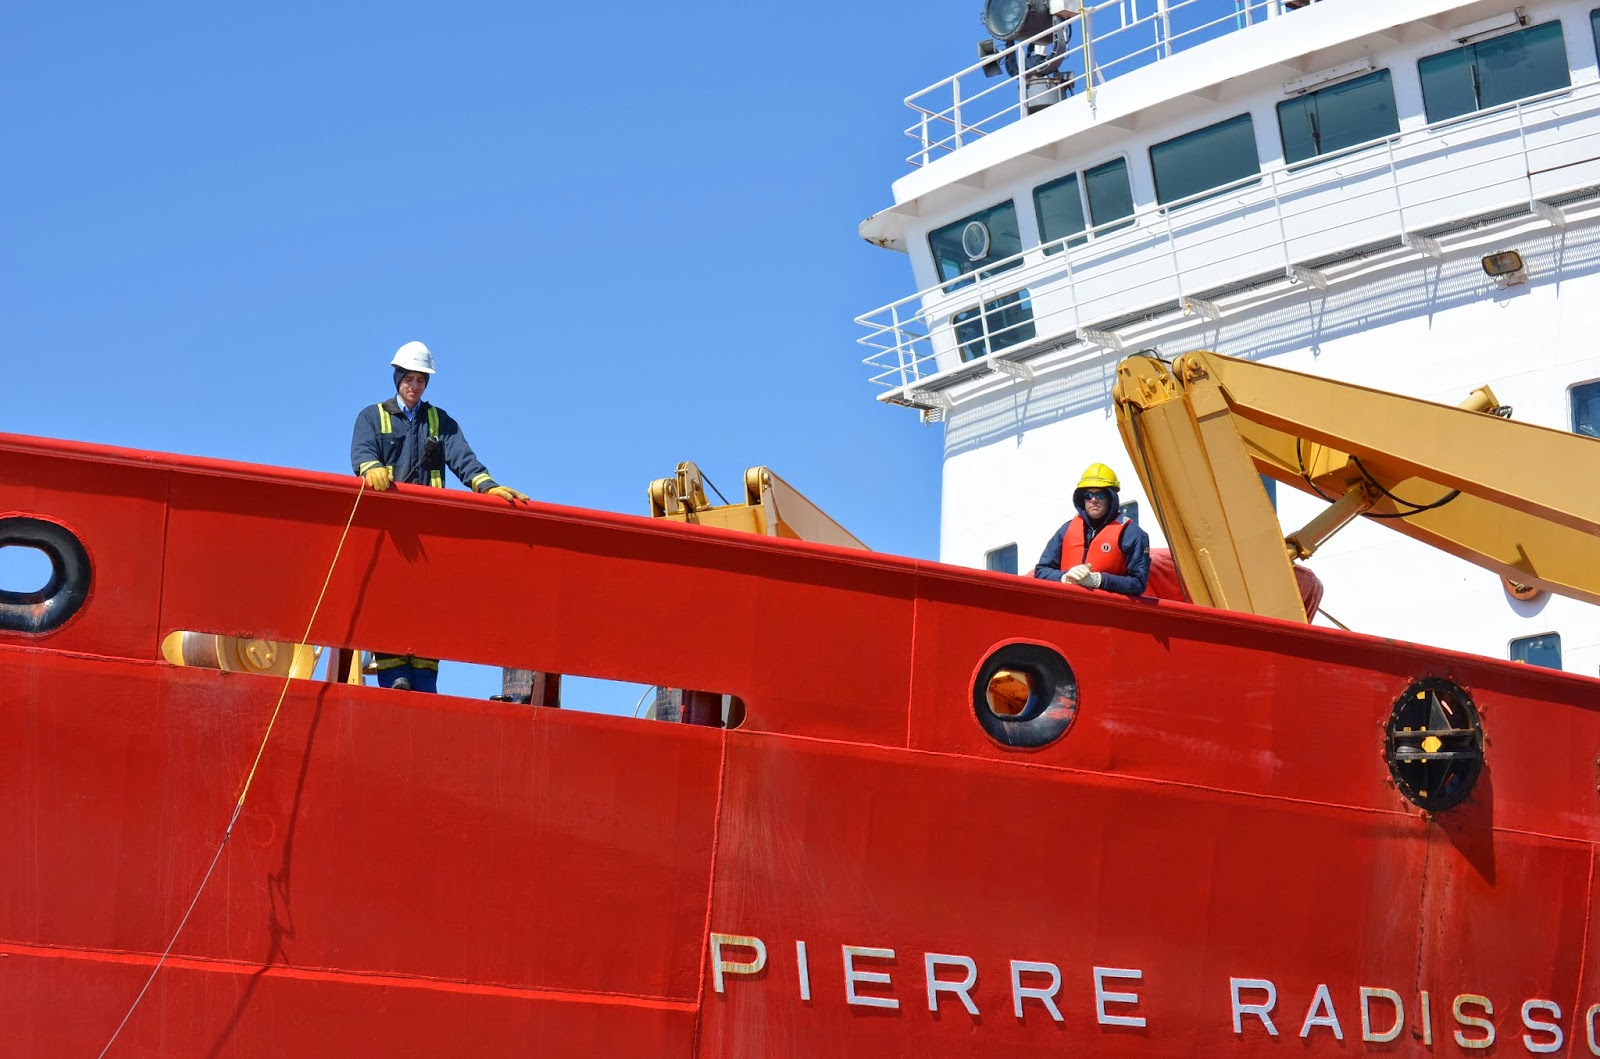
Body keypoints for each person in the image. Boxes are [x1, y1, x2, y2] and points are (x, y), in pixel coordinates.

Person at [349, 340, 528, 691]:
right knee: (391, 598)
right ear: (397, 378)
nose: (414, 386)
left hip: (429, 530)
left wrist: (487, 486)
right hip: (389, 529)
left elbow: (463, 459)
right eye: (409, 379)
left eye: (420, 380)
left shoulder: (439, 421)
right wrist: (370, 469)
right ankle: (395, 676)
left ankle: (425, 679)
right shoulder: (373, 417)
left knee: (429, 602)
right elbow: (362, 451)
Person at [1031, 462, 1151, 597]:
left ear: (1111, 498)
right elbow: (1041, 571)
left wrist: (1098, 580)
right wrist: (1065, 577)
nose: (1093, 500)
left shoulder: (1132, 534)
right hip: (1066, 611)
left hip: (1108, 613)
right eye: (1088, 495)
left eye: (1100, 495)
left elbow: (1138, 583)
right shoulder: (1066, 530)